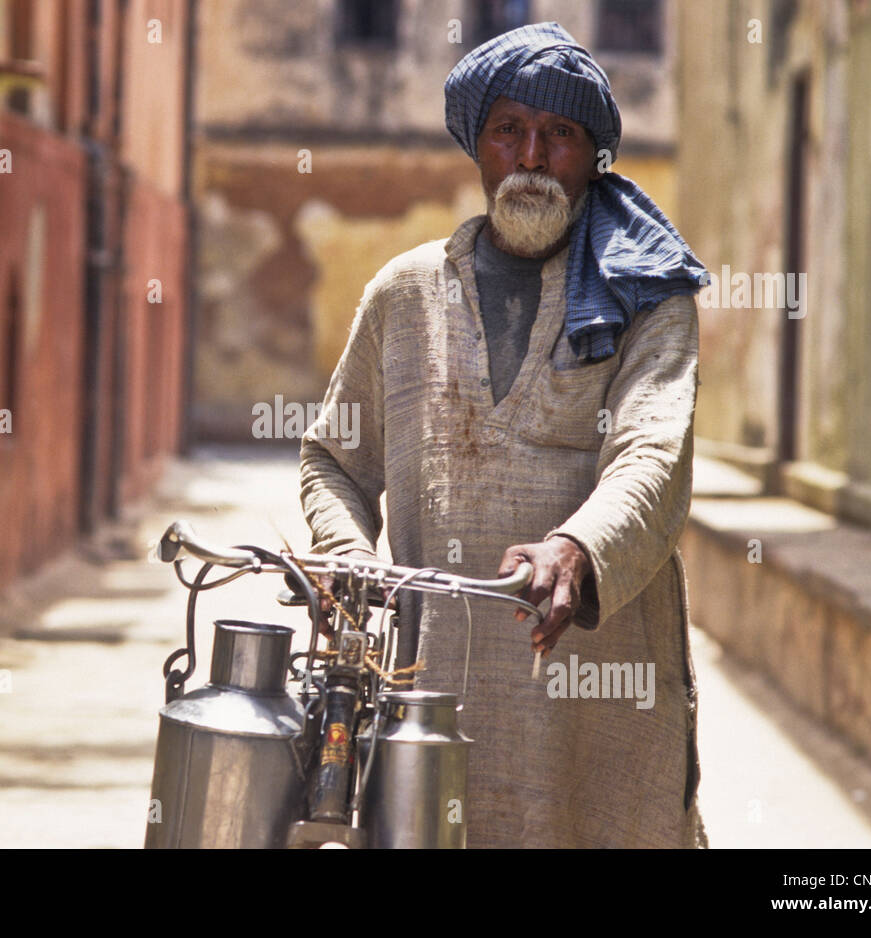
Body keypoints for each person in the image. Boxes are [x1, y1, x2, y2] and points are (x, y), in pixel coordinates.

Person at [299, 22, 709, 848]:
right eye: (508, 130)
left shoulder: (648, 297)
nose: (531, 156)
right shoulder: (402, 295)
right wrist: (345, 552)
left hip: (598, 710)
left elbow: (652, 454)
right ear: (478, 147)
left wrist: (578, 547)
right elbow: (333, 461)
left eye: (559, 134)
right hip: (432, 694)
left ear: (592, 157)